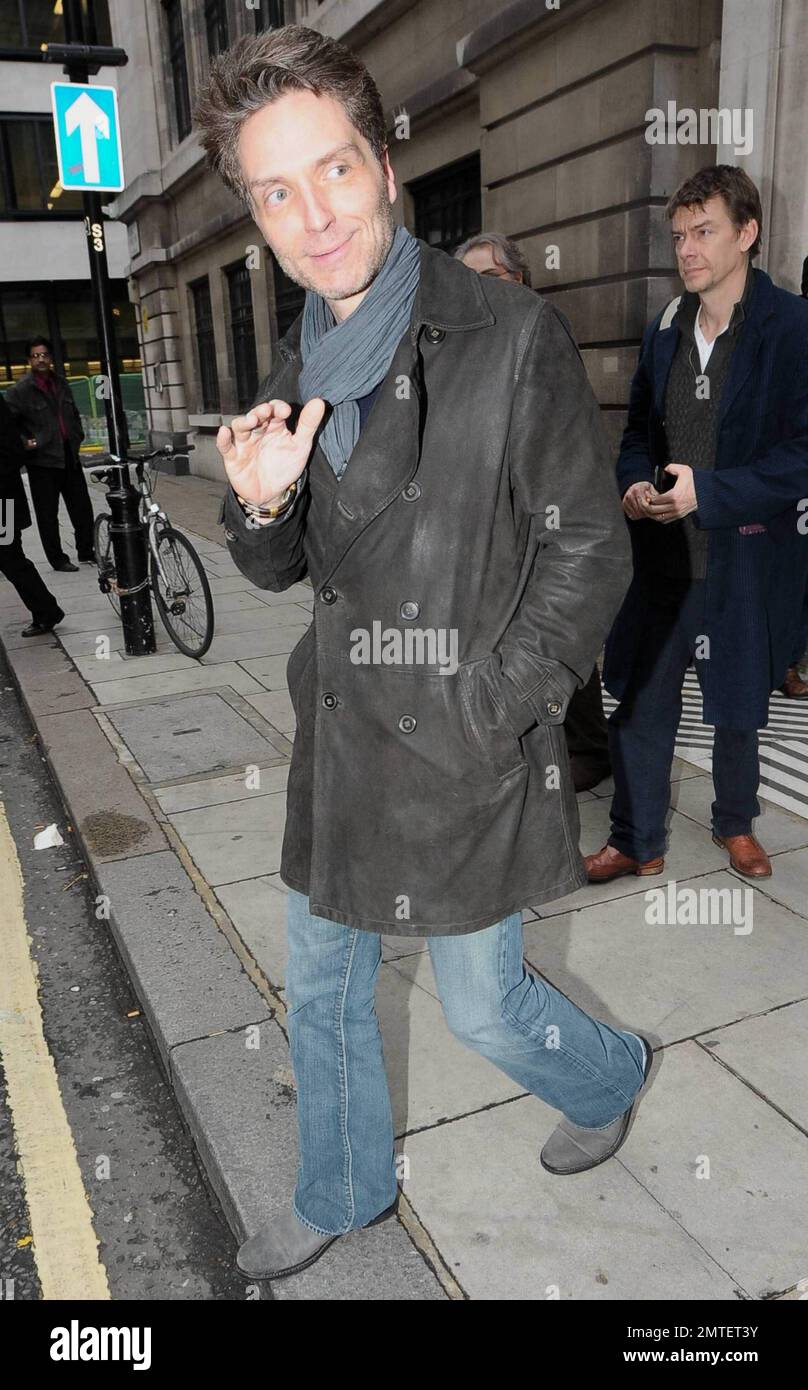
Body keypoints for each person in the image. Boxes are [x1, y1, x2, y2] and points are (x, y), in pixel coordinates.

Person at [194, 25, 649, 1284]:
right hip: (340, 742)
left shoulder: (508, 337)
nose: (313, 215)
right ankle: (341, 1188)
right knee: (324, 987)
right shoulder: (296, 359)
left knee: (484, 1004)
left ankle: (611, 1070)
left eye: (332, 171)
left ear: (385, 166)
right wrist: (265, 506)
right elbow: (282, 570)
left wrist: (487, 706)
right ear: (255, 215)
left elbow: (587, 555)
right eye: (276, 191)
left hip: (459, 741)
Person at [589, 165, 808, 887]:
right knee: (641, 700)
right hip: (660, 558)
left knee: (738, 704)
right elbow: (636, 439)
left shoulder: (793, 328)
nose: (686, 249)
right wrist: (633, 488)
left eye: (703, 231)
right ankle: (635, 838)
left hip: (743, 558)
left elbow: (801, 455)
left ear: (746, 234)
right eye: (679, 234)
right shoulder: (665, 329)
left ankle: (734, 823)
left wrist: (706, 493)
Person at [455, 232, 613, 791]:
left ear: (519, 281)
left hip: (541, 520)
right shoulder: (466, 344)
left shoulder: (538, 327)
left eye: (491, 277)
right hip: (493, 523)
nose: (478, 289)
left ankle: (588, 750)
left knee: (560, 632)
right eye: (467, 279)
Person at [4, 337, 95, 572]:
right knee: (48, 514)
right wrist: (26, 443)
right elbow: (7, 425)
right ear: (29, 360)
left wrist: (77, 436)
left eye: (44, 355)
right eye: (35, 356)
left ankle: (86, 551)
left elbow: (72, 415)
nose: (40, 359)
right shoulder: (20, 391)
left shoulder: (62, 384)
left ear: (51, 358)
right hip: (42, 460)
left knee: (82, 508)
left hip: (68, 455)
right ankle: (58, 558)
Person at [0, 394, 65, 636]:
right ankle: (46, 610)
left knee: (9, 557)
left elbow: (13, 452)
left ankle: (47, 611)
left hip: (2, 504)